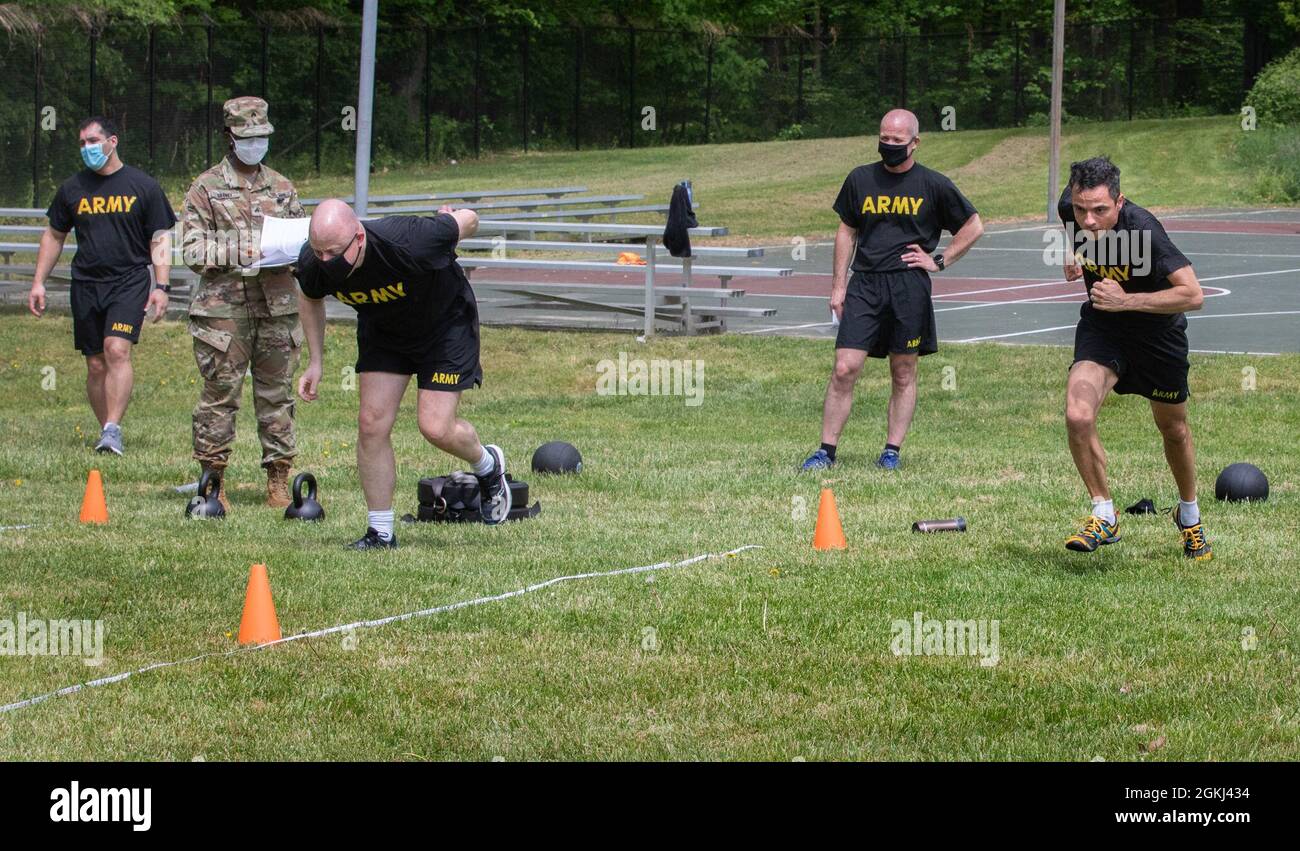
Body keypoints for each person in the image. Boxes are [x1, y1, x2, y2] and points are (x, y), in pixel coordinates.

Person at [294, 199, 510, 550]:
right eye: (318, 252)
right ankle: (380, 532)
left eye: (333, 253)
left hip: (444, 329)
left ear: (358, 239)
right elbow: (309, 296)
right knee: (371, 423)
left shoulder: (410, 239)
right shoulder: (316, 261)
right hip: (385, 335)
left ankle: (487, 464)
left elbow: (470, 219)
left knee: (435, 427)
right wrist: (315, 361)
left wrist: (452, 225)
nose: (325, 262)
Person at [802, 109, 984, 472]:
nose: (889, 146)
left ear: (915, 143)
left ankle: (891, 451)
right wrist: (838, 286)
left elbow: (973, 225)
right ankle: (825, 451)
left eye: (897, 141)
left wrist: (940, 260)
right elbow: (846, 231)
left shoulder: (933, 184)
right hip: (865, 283)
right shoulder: (860, 178)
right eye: (884, 139)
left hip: (908, 287)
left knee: (903, 372)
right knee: (844, 367)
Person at [1058, 156, 1212, 560]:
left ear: (1120, 201)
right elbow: (1074, 228)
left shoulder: (1144, 229)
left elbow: (1193, 295)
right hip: (1104, 328)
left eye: (1099, 210)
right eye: (1080, 209)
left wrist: (1127, 300)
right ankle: (1104, 513)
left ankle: (1190, 517)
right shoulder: (1071, 209)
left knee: (1173, 429)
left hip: (1157, 336)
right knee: (1078, 413)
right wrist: (1073, 252)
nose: (1088, 219)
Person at [180, 97, 306, 511]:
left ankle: (278, 481)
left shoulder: (283, 187)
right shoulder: (205, 187)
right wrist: (243, 248)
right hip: (224, 312)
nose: (256, 144)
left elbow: (301, 241)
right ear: (229, 137)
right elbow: (193, 250)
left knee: (277, 396)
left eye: (262, 137)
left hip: (277, 307)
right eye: (247, 137)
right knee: (220, 395)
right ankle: (213, 482)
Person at [27, 116, 175, 455]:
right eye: (82, 143)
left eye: (93, 141)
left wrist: (161, 286)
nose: (87, 148)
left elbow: (159, 237)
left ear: (113, 141)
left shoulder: (143, 186)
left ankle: (113, 428)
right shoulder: (72, 189)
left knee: (117, 349)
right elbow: (54, 236)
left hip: (129, 281)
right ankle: (106, 431)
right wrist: (38, 283)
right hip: (86, 284)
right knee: (95, 363)